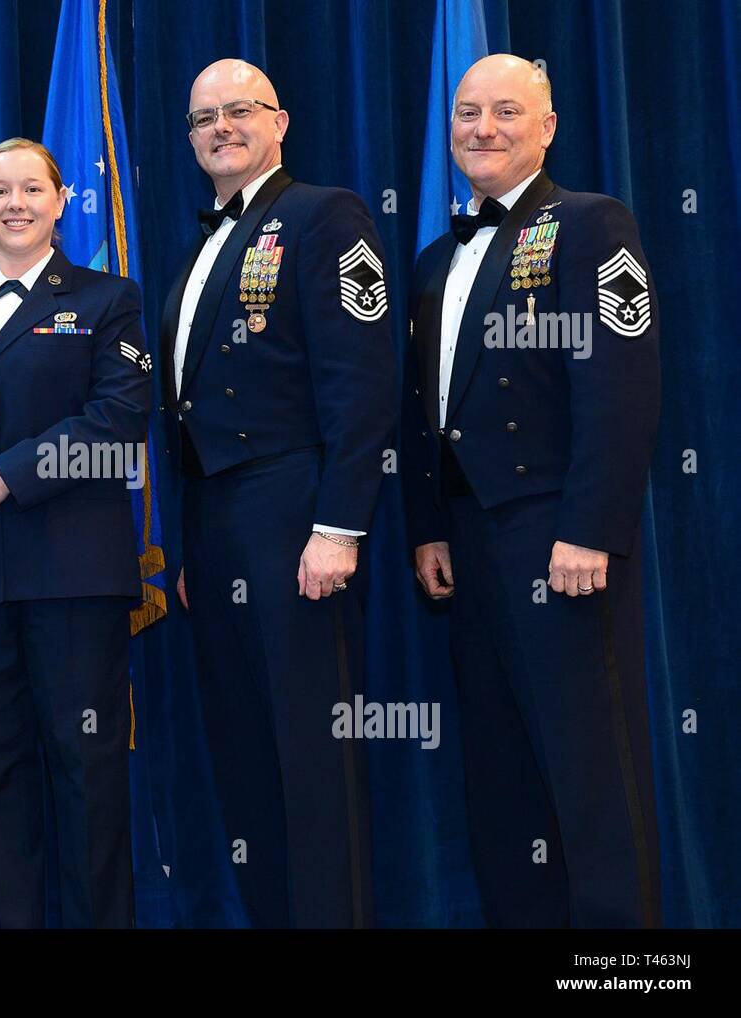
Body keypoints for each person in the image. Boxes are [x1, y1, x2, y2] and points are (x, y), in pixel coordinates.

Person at [400, 54, 661, 927]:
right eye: (468, 113)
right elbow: (427, 405)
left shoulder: (591, 224)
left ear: (546, 127)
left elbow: (618, 385)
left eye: (505, 112)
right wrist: (428, 525)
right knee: (502, 775)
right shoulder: (438, 257)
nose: (482, 128)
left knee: (590, 774)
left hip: (559, 533)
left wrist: (591, 525)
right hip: (471, 543)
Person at [162, 59, 396, 927]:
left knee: (312, 748)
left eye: (239, 111)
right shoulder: (205, 241)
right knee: (246, 748)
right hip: (218, 526)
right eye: (202, 118)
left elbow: (360, 383)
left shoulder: (323, 214)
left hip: (297, 516)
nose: (220, 127)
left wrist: (339, 527)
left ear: (281, 119)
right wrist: (192, 549)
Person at [0, 138, 151, 928]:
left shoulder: (109, 297)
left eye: (32, 189)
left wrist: (8, 474)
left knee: (88, 775)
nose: (16, 202)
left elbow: (120, 417)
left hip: (73, 578)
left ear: (61, 201)